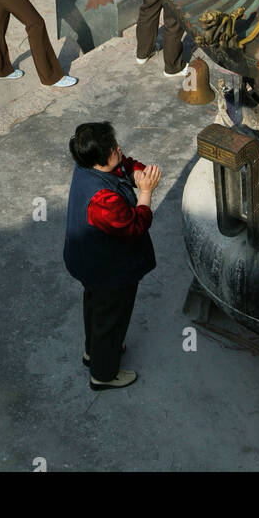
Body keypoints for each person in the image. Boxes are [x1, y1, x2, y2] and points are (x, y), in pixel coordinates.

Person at [63, 121, 160, 391]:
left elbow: (125, 164)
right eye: (113, 148)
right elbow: (135, 226)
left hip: (88, 262)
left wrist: (139, 173)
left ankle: (93, 352)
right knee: (112, 317)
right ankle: (103, 374)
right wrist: (146, 192)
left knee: (96, 307)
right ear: (100, 159)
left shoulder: (86, 166)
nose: (119, 149)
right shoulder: (103, 201)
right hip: (109, 270)